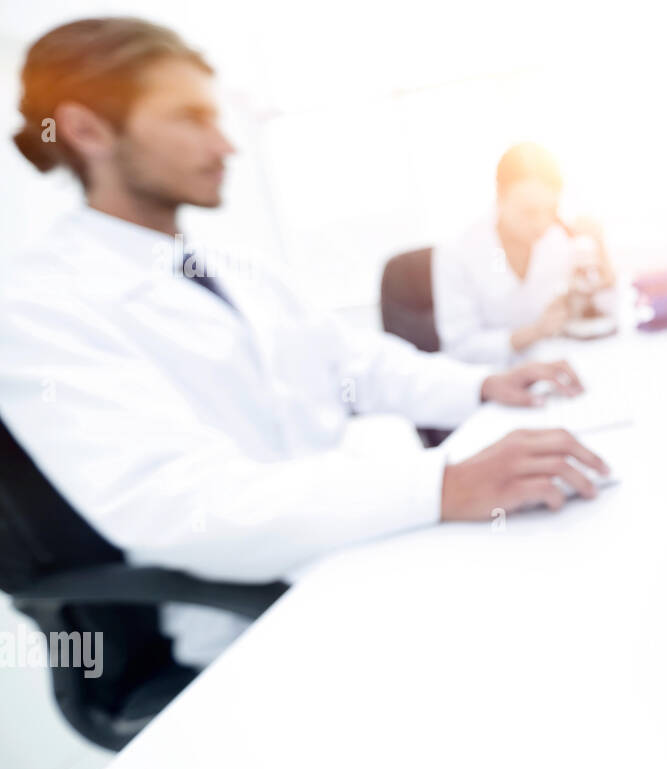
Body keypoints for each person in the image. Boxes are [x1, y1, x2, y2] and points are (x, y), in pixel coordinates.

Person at [1, 18, 609, 667]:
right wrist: (439, 485)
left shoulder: (237, 270)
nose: (226, 144)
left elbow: (361, 364)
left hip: (354, 547)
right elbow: (182, 503)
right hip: (246, 618)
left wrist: (481, 385)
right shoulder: (40, 303)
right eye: (192, 118)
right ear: (88, 130)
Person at [434, 142, 616, 366]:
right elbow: (460, 349)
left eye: (550, 210)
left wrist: (599, 247)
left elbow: (607, 310)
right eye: (528, 212)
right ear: (500, 196)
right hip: (492, 378)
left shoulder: (558, 237)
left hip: (554, 365)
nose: (541, 223)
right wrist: (535, 332)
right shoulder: (459, 251)